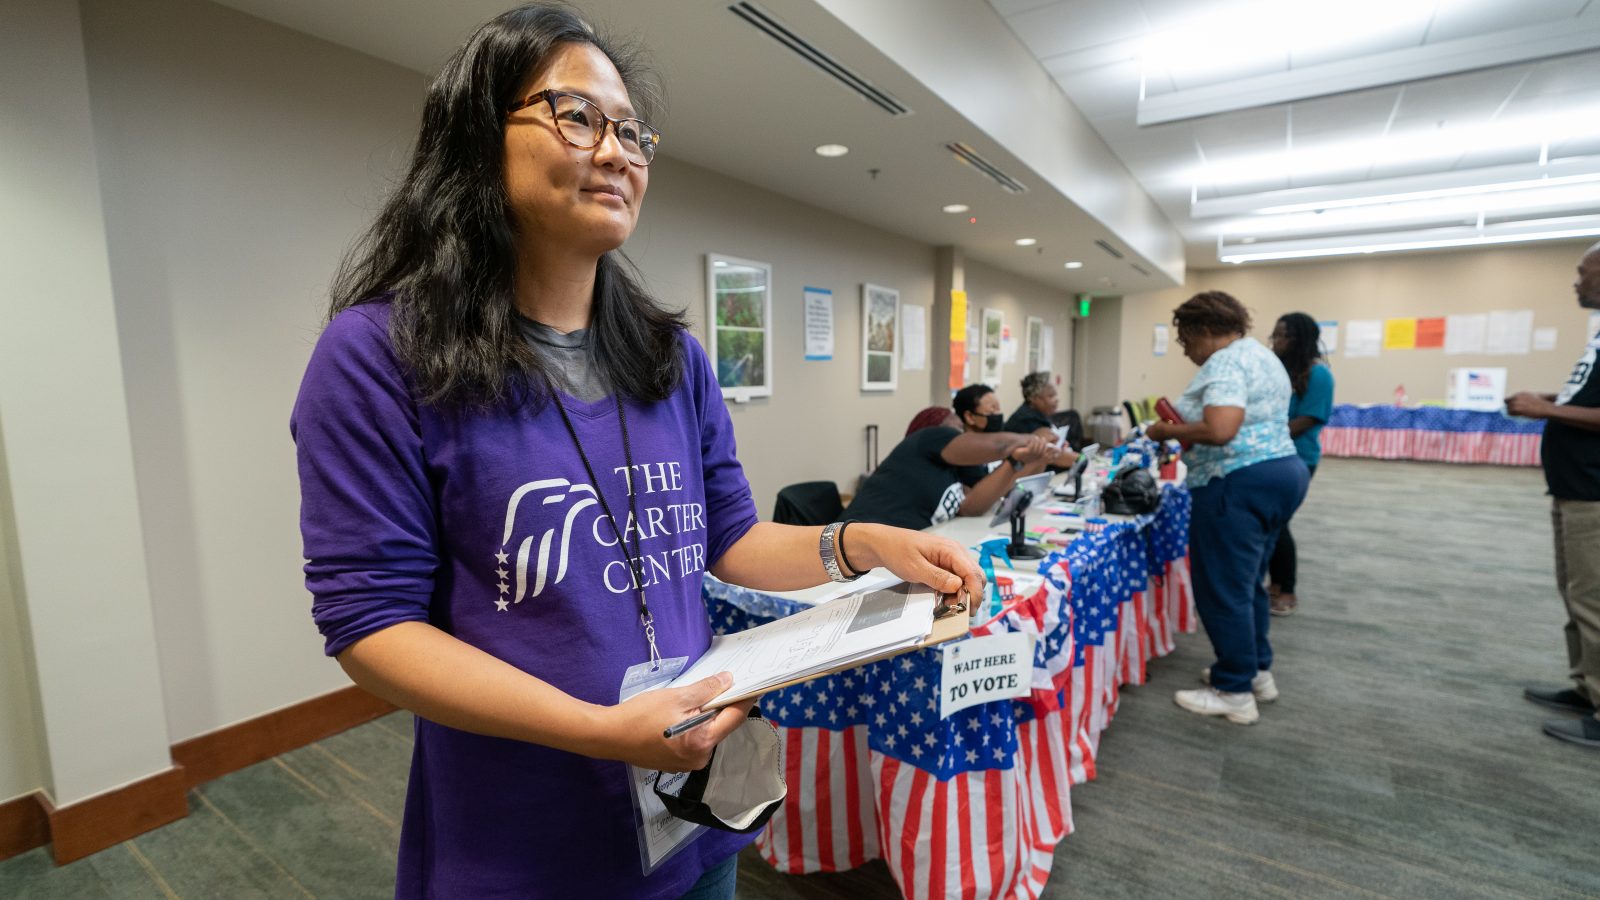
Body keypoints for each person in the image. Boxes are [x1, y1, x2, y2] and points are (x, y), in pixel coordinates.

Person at [289, 8, 984, 898]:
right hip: (527, 828)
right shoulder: (379, 356)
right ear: (475, 138)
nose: (617, 151)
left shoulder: (671, 359)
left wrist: (861, 544)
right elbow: (373, 629)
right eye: (576, 116)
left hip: (694, 806)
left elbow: (728, 537)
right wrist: (597, 728)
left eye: (631, 130)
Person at [1145, 292, 1308, 725]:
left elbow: (1221, 429)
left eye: (1184, 341)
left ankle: (1233, 690)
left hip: (1235, 481)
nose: (1185, 351)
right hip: (1281, 473)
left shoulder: (1224, 362)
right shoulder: (1261, 355)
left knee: (1223, 588)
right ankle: (1255, 671)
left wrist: (1168, 428)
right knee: (1250, 581)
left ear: (1202, 330)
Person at [1507, 240, 1600, 751]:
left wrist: (1548, 412)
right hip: (1573, 486)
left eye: (1584, 272)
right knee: (1577, 594)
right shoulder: (1599, 337)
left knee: (1594, 600)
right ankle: (1587, 689)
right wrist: (1550, 398)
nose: (1576, 281)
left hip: (1594, 490)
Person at [842, 402, 1067, 531]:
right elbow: (1000, 445)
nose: (963, 433)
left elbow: (973, 506)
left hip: (902, 551)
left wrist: (1020, 461)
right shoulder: (929, 437)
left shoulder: (953, 467)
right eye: (956, 430)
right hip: (859, 546)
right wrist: (1033, 439)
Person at [1267, 313, 1335, 616]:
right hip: (1269, 455)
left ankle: (1287, 589)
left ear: (1300, 339)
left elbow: (1307, 420)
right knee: (1270, 522)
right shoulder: (1279, 370)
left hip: (1298, 458)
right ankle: (1275, 583)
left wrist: (1260, 433)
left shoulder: (1318, 374)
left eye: (1283, 336)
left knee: (1278, 523)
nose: (1276, 341)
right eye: (1275, 335)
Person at [1004, 371, 1060, 439]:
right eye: (1051, 396)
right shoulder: (1026, 421)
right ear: (1034, 398)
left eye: (1055, 395)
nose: (1057, 399)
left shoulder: (1038, 414)